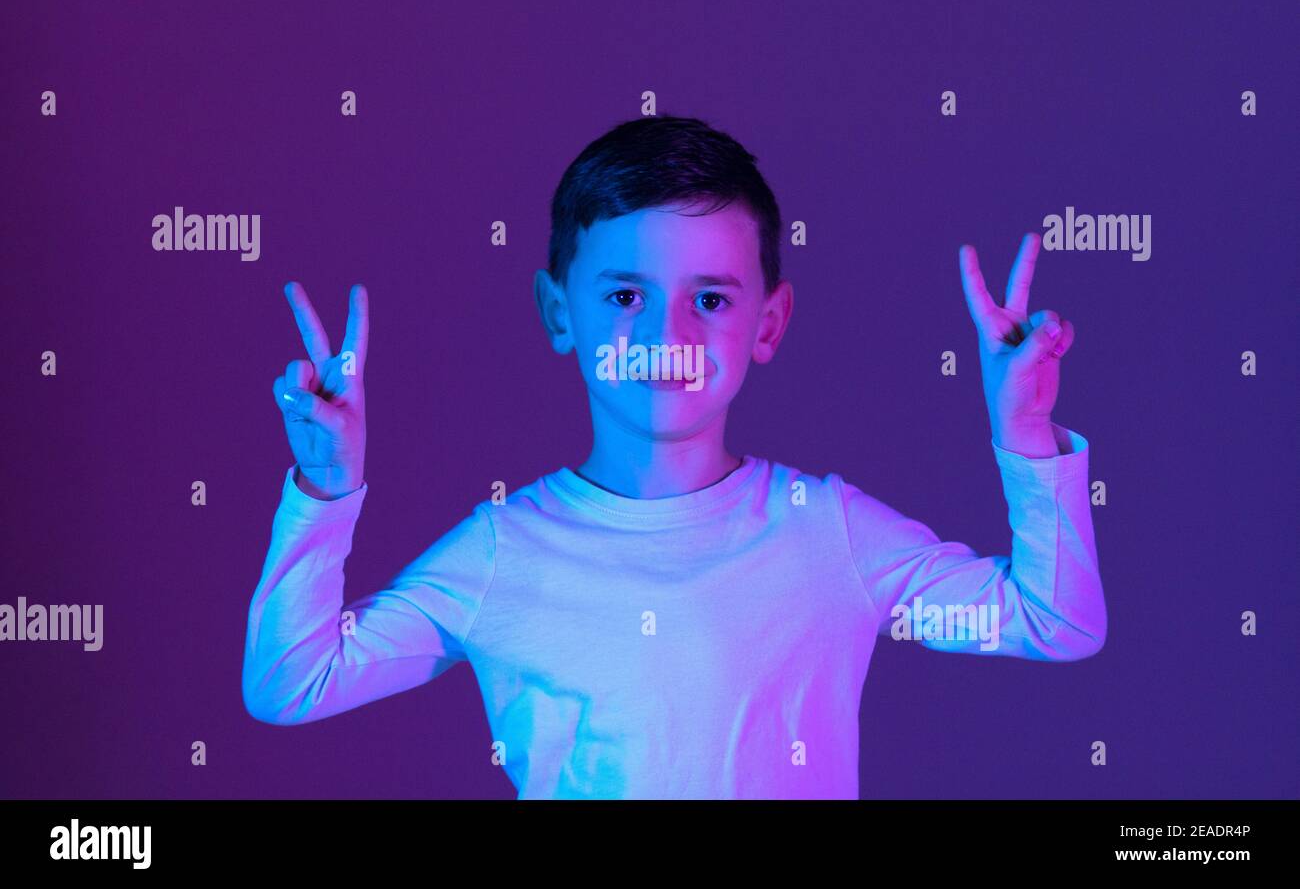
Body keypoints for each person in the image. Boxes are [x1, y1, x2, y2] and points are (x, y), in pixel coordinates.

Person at [241, 114, 1106, 798]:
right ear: (559, 313)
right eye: (626, 295)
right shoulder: (504, 550)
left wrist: (1026, 430)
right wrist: (325, 488)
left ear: (768, 322)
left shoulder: (827, 534)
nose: (667, 334)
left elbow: (1055, 622)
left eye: (711, 300)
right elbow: (293, 682)